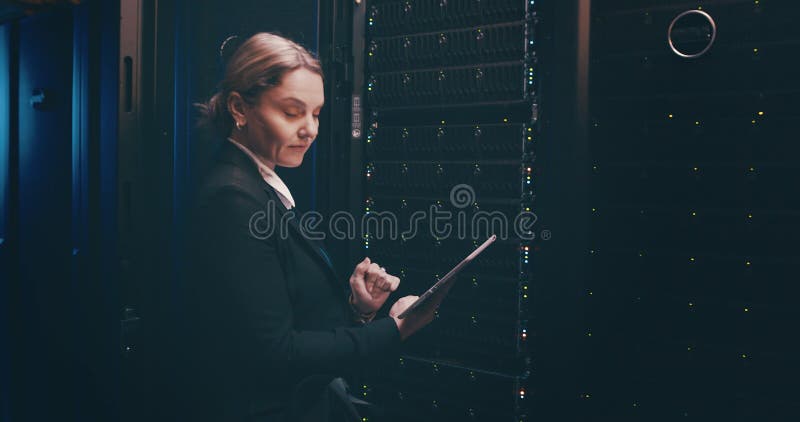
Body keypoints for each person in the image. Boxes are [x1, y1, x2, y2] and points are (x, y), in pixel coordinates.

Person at [184, 32, 442, 422]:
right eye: (292, 112)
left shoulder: (258, 185)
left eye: (316, 113)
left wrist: (359, 310)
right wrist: (395, 329)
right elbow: (275, 353)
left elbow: (285, 318)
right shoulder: (232, 199)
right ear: (239, 107)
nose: (310, 130)